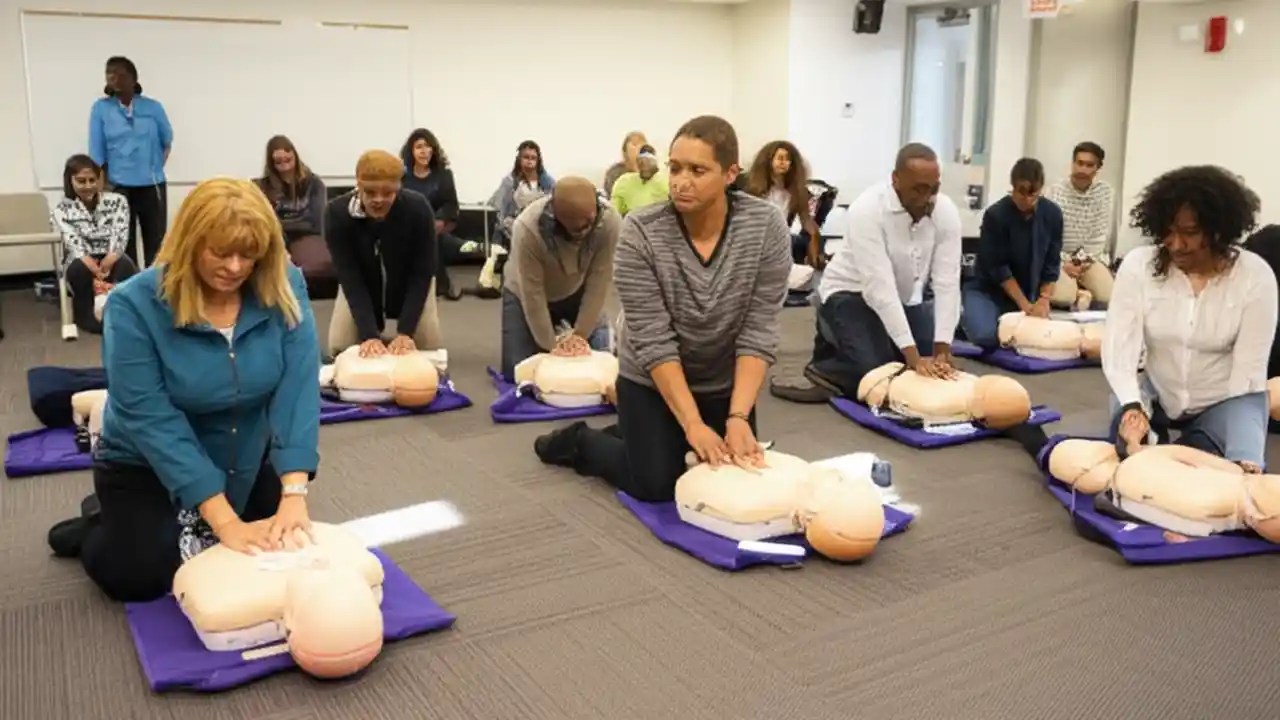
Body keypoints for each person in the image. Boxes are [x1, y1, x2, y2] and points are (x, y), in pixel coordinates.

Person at [45, 177, 321, 603]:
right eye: (220, 252)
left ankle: (180, 517)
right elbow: (151, 419)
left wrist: (295, 491)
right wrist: (224, 523)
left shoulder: (284, 283)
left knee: (273, 540)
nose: (235, 267)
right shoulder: (133, 305)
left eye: (249, 254)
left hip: (242, 450)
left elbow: (298, 387)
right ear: (190, 243)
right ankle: (98, 522)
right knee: (143, 573)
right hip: (146, 461)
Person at [533, 115, 791, 502]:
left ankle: (636, 431)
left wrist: (738, 416)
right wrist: (691, 424)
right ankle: (580, 441)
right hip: (651, 381)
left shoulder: (767, 225)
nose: (680, 181)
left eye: (698, 170)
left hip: (722, 381)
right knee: (656, 483)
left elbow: (759, 328)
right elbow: (655, 342)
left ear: (730, 174)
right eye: (675, 167)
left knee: (728, 468)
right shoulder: (640, 231)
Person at [1103, 165, 1274, 473]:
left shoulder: (1255, 276)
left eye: (1190, 233)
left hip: (1224, 399)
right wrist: (1132, 406)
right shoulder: (1138, 267)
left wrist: (1241, 455)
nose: (1176, 245)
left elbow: (1248, 375)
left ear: (1219, 231)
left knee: (1241, 479)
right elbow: (1120, 352)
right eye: (1168, 232)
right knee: (1130, 456)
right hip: (1155, 393)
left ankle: (1196, 444)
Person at [799, 143, 963, 400]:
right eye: (918, 189)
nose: (927, 197)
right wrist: (911, 357)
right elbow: (879, 287)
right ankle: (826, 362)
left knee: (927, 363)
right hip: (849, 295)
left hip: (901, 300)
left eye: (933, 188)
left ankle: (878, 348)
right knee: (879, 374)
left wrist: (942, 348)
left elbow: (947, 282)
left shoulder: (945, 210)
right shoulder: (867, 209)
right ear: (895, 180)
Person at [325, 150, 441, 358]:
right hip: (362, 280)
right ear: (358, 185)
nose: (378, 200)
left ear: (399, 187)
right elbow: (350, 276)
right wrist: (369, 334)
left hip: (410, 280)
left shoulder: (418, 209)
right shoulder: (336, 214)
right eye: (370, 192)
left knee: (427, 347)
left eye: (387, 193)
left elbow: (422, 273)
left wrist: (405, 331)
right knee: (340, 345)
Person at [501, 177, 620, 380]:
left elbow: (600, 281)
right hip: (524, 293)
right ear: (557, 219)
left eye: (590, 223)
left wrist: (580, 336)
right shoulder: (528, 229)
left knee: (605, 370)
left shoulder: (609, 221)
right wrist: (551, 346)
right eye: (577, 229)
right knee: (519, 376)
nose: (586, 230)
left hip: (577, 289)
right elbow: (533, 294)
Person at [960, 158, 1063, 349]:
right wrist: (1024, 305)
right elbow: (999, 268)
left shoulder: (1052, 214)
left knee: (1035, 336)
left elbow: (1052, 262)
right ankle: (962, 318)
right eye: (1021, 193)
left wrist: (1044, 299)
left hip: (1027, 290)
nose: (1027, 200)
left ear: (1040, 189)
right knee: (986, 338)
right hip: (988, 290)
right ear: (1012, 187)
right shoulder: (995, 215)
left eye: (1033, 194)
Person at [88, 56, 173, 268]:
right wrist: (105, 185)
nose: (114, 78)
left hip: (152, 185)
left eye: (120, 74)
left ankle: (156, 290)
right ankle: (130, 291)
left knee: (157, 242)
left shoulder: (153, 107)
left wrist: (152, 168)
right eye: (109, 73)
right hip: (118, 186)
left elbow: (166, 141)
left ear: (134, 79)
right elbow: (97, 150)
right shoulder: (101, 108)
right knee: (123, 245)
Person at [51, 154, 138, 334]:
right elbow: (71, 239)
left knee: (125, 268)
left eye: (92, 180)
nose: (88, 185)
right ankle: (86, 315)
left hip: (111, 253)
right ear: (70, 181)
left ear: (100, 179)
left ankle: (121, 314)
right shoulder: (61, 210)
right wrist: (89, 262)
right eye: (81, 181)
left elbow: (120, 231)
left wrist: (112, 256)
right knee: (79, 271)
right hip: (81, 258)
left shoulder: (117, 201)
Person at [1044, 141, 1115, 308]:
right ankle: (1078, 293)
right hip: (1058, 258)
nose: (1082, 170)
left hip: (1088, 259)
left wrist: (1080, 263)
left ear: (1098, 168)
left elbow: (1099, 235)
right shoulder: (1054, 192)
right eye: (1079, 163)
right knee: (1063, 297)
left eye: (1089, 165)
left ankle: (1082, 290)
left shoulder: (1106, 193)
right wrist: (1064, 263)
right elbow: (1047, 237)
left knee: (1108, 295)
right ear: (1072, 164)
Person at [399, 128, 463, 301]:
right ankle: (441, 282)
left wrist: (440, 219)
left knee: (430, 236)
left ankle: (433, 284)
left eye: (428, 147)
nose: (424, 151)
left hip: (439, 223)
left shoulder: (444, 175)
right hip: (410, 225)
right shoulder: (402, 178)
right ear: (411, 151)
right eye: (419, 147)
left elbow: (451, 204)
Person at [742, 140, 821, 265]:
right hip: (754, 239)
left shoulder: (797, 192)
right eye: (779, 158)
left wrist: (815, 240)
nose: (783, 162)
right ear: (769, 160)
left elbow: (807, 221)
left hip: (781, 240)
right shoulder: (753, 189)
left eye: (787, 159)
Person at [256, 135, 327, 243]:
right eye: (278, 162)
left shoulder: (314, 184)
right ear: (271, 164)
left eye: (288, 160)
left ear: (295, 156)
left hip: (307, 239)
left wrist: (282, 225)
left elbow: (317, 222)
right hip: (275, 240)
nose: (285, 166)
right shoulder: (264, 187)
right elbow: (263, 223)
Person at [490, 140, 555, 249]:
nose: (529, 161)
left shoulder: (547, 182)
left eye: (533, 158)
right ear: (519, 159)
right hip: (515, 229)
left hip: (541, 229)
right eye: (526, 157)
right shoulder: (509, 181)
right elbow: (501, 213)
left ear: (538, 161)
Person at [609, 145, 668, 217]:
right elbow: (613, 213)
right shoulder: (624, 182)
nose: (645, 165)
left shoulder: (666, 182)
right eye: (641, 161)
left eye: (649, 161)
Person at [603, 130, 649, 197]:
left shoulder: (652, 172)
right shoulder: (615, 172)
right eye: (634, 144)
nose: (639, 148)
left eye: (642, 145)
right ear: (625, 149)